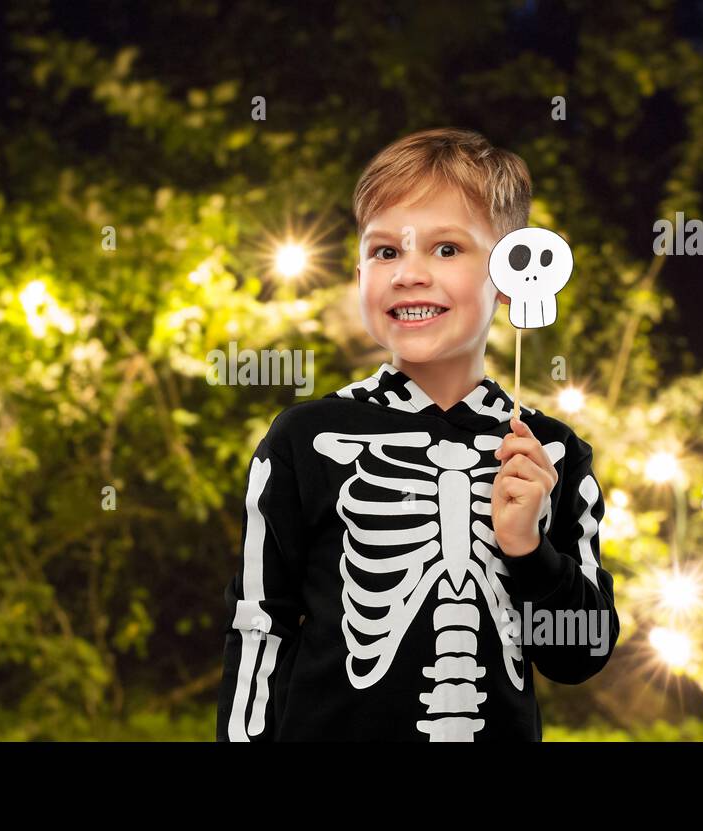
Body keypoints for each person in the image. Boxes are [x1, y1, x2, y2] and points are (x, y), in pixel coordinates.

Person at [216, 127, 619, 741]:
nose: (408, 275)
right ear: (358, 276)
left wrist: (528, 550)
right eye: (385, 252)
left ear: (515, 273)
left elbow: (578, 656)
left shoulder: (551, 455)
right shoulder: (307, 439)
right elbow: (259, 626)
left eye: (446, 250)